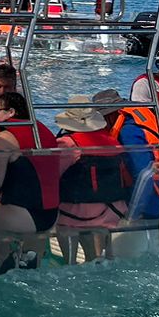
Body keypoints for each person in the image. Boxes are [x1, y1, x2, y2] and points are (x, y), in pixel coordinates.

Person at [0, 91, 61, 267]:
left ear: (11, 112)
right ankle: (27, 257)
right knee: (32, 262)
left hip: (24, 215)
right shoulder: (44, 130)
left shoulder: (4, 138)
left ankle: (1, 263)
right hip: (51, 215)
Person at [53, 96, 131, 263]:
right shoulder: (114, 143)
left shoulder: (68, 144)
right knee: (100, 258)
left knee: (62, 223)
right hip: (114, 211)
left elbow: (52, 176)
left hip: (76, 213)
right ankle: (101, 258)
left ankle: (70, 262)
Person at [93, 87, 159, 222]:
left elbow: (143, 174)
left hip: (150, 203)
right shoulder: (136, 118)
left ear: (108, 115)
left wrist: (134, 214)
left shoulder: (128, 132)